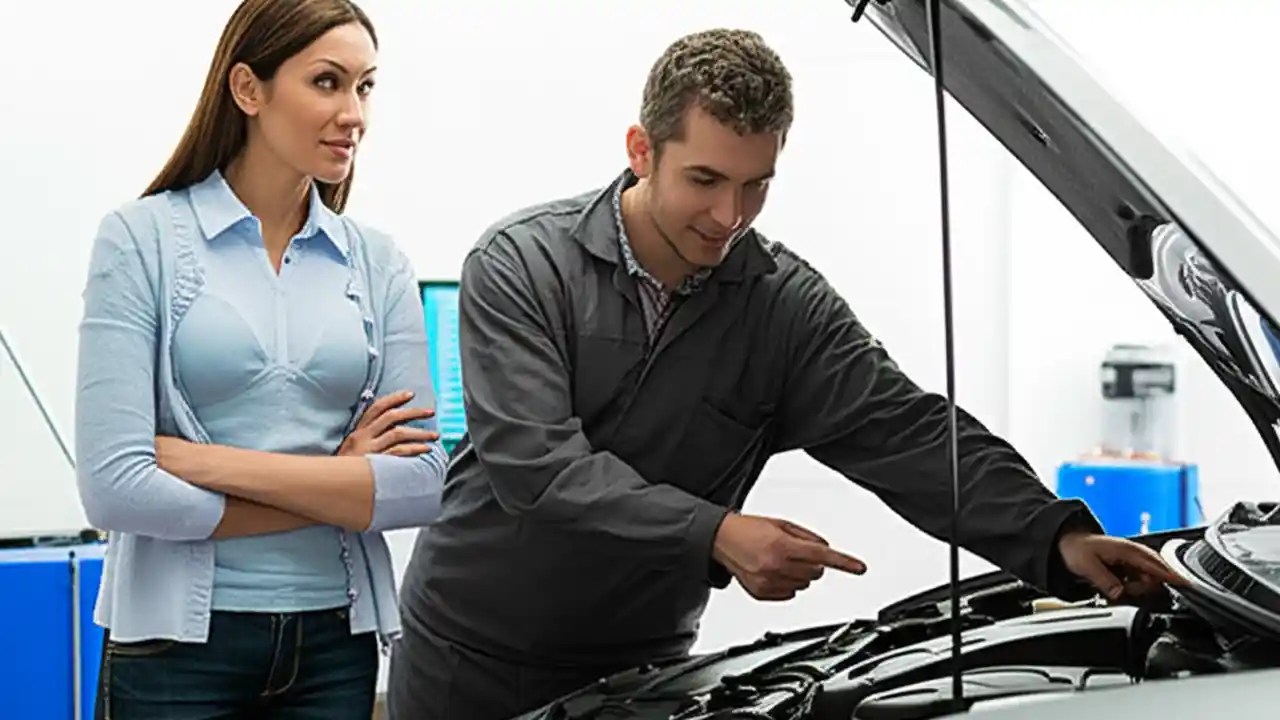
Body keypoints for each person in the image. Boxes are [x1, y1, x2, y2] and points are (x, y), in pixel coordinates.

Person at [386, 27, 1186, 720]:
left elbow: (905, 429)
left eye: (756, 185)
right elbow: (539, 468)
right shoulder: (522, 265)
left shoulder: (782, 306)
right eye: (705, 180)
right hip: (469, 660)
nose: (729, 217)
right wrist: (717, 533)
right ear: (641, 151)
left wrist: (1057, 535)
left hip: (639, 671)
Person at [73, 1, 447, 717]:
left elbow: (422, 485)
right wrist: (340, 487)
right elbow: (116, 489)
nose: (354, 113)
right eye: (327, 83)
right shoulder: (140, 239)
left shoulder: (378, 262)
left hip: (335, 642)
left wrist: (207, 463)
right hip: (174, 650)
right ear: (249, 90)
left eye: (365, 86)